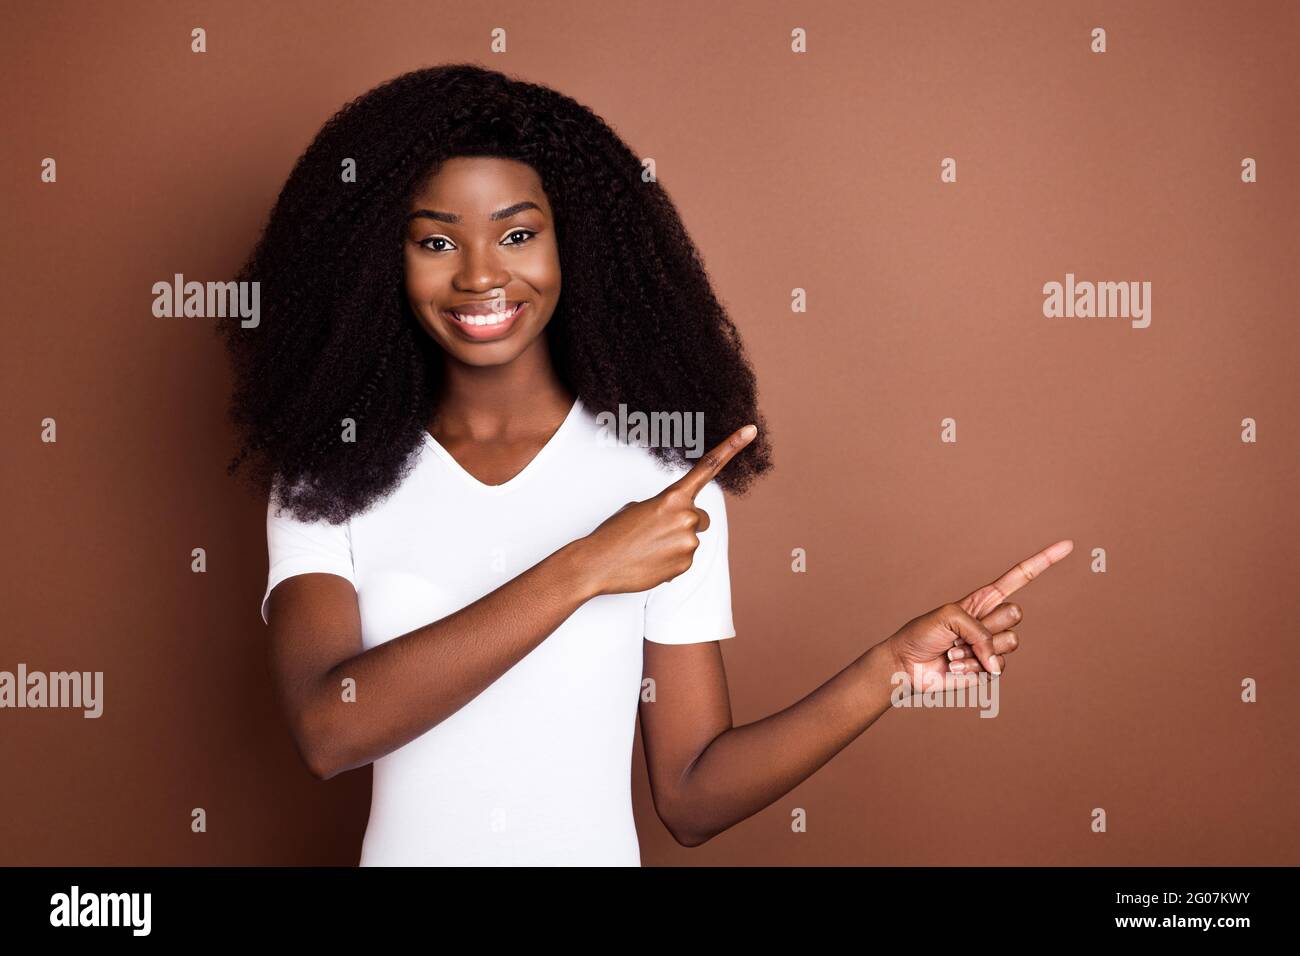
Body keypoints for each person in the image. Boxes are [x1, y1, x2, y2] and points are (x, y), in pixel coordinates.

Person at [218, 63, 1072, 865]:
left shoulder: (660, 481)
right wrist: (588, 566)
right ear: (379, 261)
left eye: (518, 233)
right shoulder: (331, 475)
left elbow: (693, 792)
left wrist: (887, 671)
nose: (481, 275)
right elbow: (329, 730)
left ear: (575, 246)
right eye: (436, 243)